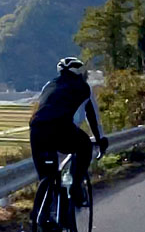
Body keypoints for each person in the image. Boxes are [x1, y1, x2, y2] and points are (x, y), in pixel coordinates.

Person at [30, 57, 109, 208]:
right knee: (85, 145)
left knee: (46, 177)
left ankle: (42, 217)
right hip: (62, 129)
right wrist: (100, 139)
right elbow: (93, 118)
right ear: (80, 73)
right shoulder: (84, 88)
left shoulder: (48, 85)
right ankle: (76, 186)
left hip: (36, 130)